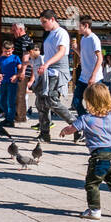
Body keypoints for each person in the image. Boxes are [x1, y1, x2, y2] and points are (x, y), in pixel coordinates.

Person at [60, 81, 111, 221]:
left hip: (99, 157)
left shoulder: (85, 119)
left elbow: (72, 128)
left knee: (92, 184)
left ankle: (94, 210)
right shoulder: (110, 116)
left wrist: (64, 131)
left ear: (89, 101)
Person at [36, 10, 77, 143]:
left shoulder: (61, 33)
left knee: (52, 101)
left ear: (52, 19)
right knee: (41, 102)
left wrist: (47, 63)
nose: (43, 25)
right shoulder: (49, 34)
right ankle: (44, 132)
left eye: (44, 22)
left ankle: (77, 125)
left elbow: (62, 52)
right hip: (48, 71)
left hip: (56, 71)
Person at [71, 15, 103, 116]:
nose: (77, 28)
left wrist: (93, 76)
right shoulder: (83, 39)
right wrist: (76, 50)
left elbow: (100, 58)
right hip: (83, 77)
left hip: (95, 78)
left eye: (78, 26)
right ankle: (84, 120)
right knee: (76, 102)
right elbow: (84, 57)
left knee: (95, 104)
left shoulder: (94, 39)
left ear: (86, 25)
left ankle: (94, 124)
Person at [10, 22, 34, 123]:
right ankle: (18, 115)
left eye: (13, 29)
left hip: (23, 70)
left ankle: (20, 117)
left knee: (20, 94)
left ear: (20, 29)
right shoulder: (19, 39)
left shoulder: (25, 39)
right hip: (18, 69)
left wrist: (22, 71)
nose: (12, 32)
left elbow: (26, 55)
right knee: (17, 93)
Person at [0, 39, 21, 126]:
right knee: (2, 101)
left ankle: (10, 119)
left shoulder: (15, 58)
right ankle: (7, 116)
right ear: (2, 50)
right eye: (6, 51)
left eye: (9, 51)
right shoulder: (1, 58)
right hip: (3, 81)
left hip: (12, 82)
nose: (8, 53)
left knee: (10, 101)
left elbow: (21, 69)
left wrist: (16, 75)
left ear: (12, 49)